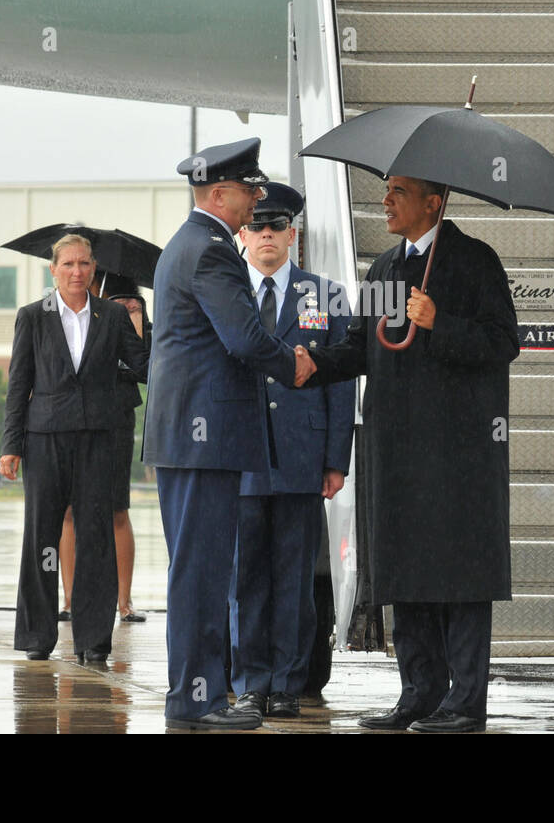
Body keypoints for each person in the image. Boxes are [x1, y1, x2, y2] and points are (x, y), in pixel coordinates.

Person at [304, 175, 519, 732]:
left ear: (434, 201)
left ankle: (465, 702)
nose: (386, 199)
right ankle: (419, 691)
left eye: (399, 191)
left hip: (458, 456)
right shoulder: (383, 270)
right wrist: (312, 363)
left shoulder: (475, 262)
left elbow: (503, 343)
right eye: (387, 189)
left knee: (460, 576)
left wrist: (438, 323)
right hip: (396, 452)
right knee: (406, 570)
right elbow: (360, 346)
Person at [142, 137, 316, 730]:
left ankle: (199, 696)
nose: (255, 200)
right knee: (202, 574)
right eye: (247, 190)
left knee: (201, 570)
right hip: (202, 435)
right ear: (219, 193)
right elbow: (242, 337)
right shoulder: (212, 251)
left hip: (192, 435)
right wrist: (290, 360)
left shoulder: (189, 244)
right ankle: (199, 700)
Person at [229, 183, 355, 720]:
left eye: (276, 227)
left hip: (303, 459)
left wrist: (335, 459)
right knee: (246, 581)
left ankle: (286, 682)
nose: (266, 236)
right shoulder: (227, 291)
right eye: (257, 227)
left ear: (292, 234)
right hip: (242, 458)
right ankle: (250, 682)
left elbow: (341, 380)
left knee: (295, 582)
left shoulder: (323, 296)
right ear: (243, 232)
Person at [0, 235, 150, 663]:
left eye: (84, 264)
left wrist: (141, 329)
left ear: (94, 269)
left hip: (99, 439)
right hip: (44, 438)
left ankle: (93, 640)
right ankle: (36, 636)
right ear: (54, 269)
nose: (77, 271)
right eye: (68, 264)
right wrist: (10, 445)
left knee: (96, 537)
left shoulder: (114, 315)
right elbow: (18, 385)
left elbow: (143, 368)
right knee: (41, 538)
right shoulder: (32, 316)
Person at [59, 272, 148, 625]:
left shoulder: (128, 308)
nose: (80, 275)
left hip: (114, 419)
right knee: (68, 510)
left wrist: (136, 321)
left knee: (116, 508)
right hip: (70, 417)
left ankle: (123, 601)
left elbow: (144, 367)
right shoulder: (64, 313)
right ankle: (69, 599)